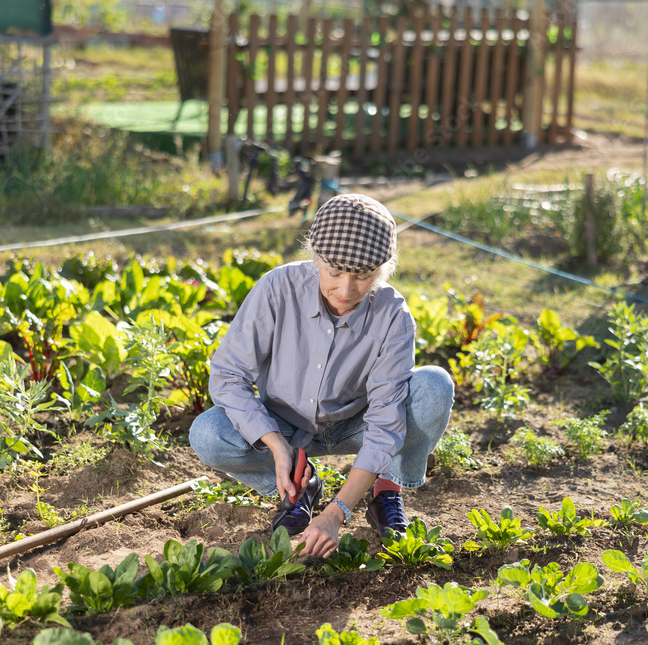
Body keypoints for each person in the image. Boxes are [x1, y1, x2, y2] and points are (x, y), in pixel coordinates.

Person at [189, 194, 455, 559]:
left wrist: (336, 514)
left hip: (355, 425)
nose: (346, 291)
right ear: (314, 256)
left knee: (434, 386)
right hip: (286, 426)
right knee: (208, 432)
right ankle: (300, 486)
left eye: (363, 276)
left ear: (383, 268)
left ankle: (385, 490)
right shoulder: (276, 289)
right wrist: (278, 448)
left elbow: (384, 424)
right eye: (334, 272)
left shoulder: (393, 315)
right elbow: (227, 376)